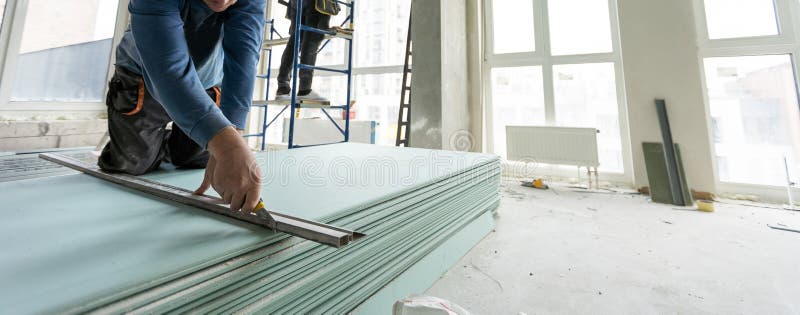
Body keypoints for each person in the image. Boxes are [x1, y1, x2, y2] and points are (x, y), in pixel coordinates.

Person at [98, 0, 266, 212]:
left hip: (205, 83)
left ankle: (163, 140)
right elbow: (168, 69)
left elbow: (244, 54)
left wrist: (234, 133)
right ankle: (148, 142)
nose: (223, 1)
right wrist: (228, 147)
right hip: (142, 75)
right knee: (131, 164)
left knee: (199, 159)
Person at [275, 0, 339, 101]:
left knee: (295, 42)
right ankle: (304, 90)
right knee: (312, 40)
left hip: (297, 3)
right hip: (315, 3)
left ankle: (283, 87)